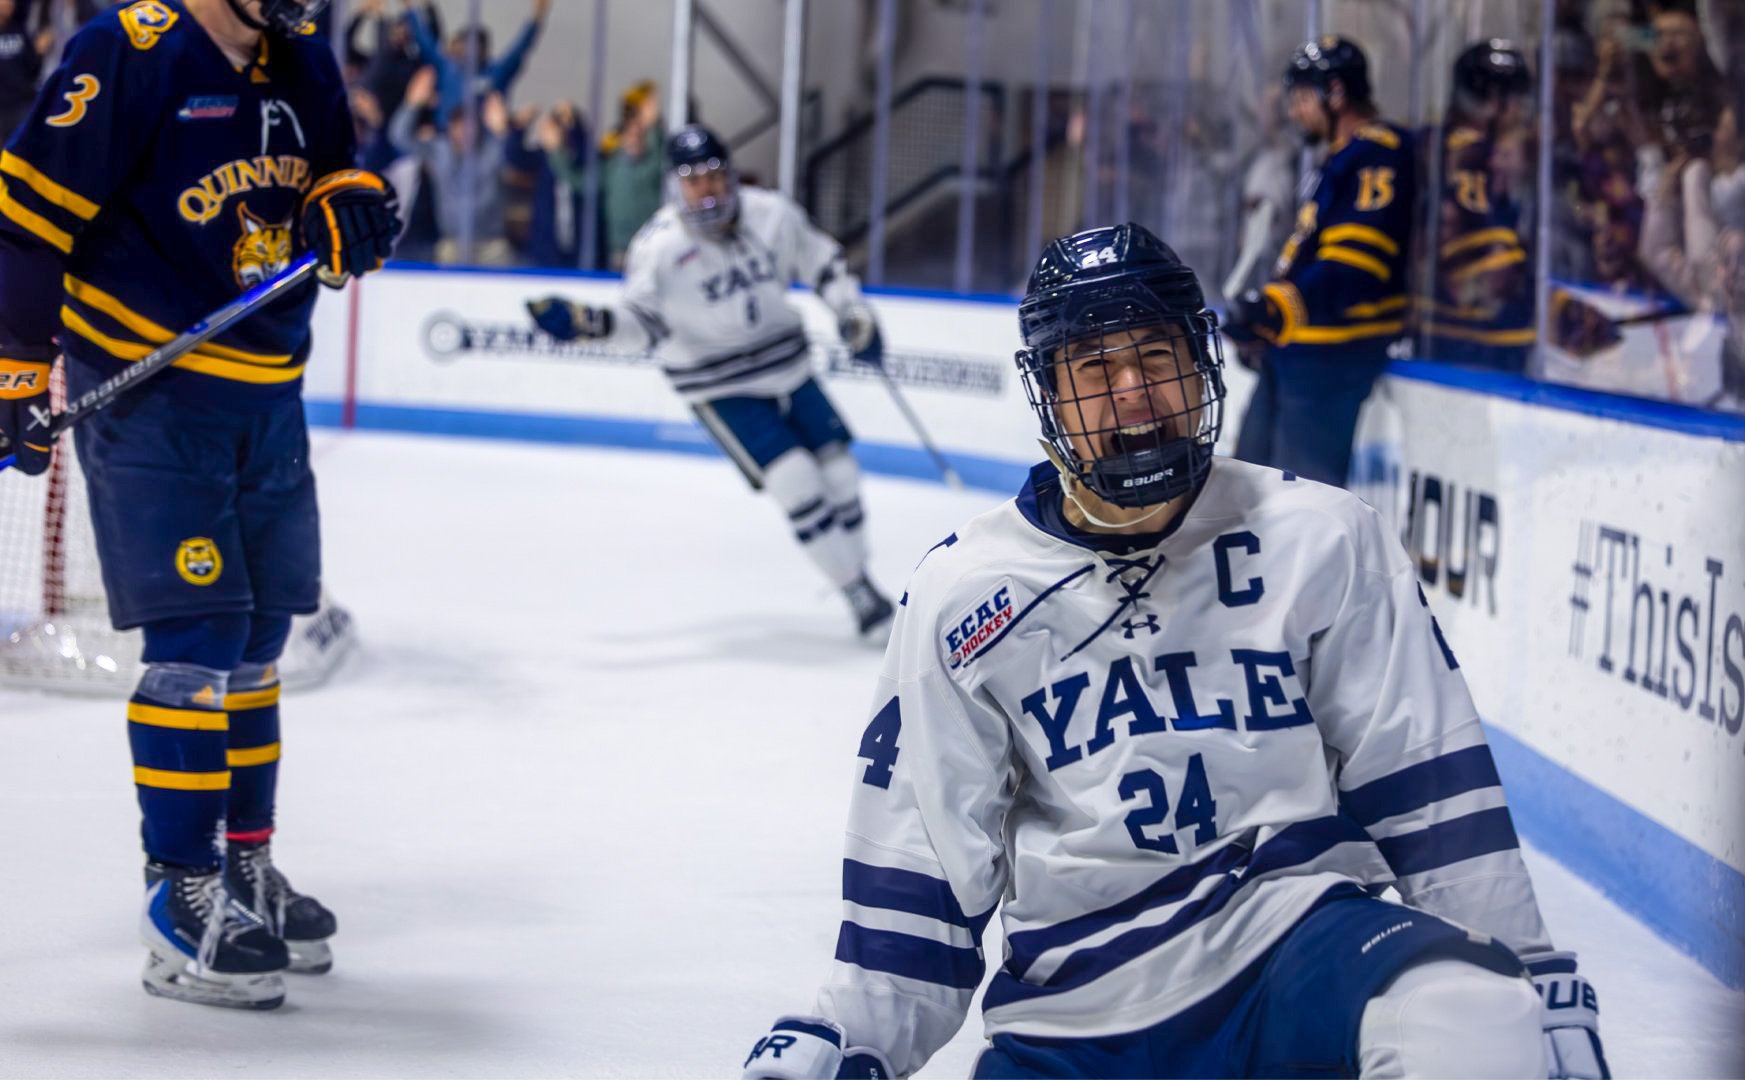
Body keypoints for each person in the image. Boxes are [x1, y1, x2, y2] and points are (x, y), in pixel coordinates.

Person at [739, 224, 1609, 1080]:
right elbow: (922, 870)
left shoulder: (1321, 536)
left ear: (1200, 368)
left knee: (1472, 1013)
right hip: (1075, 1008)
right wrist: (848, 1034)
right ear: (1047, 394)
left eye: (1156, 359)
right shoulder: (964, 595)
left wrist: (1527, 965)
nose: (1133, 390)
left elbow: (1426, 788)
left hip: (1297, 947)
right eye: (1094, 369)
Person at [0, 0, 398, 1009]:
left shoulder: (299, 52)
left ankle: (244, 865)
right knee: (197, 636)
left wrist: (351, 210)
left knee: (260, 635)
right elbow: (26, 218)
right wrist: (12, 371)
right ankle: (177, 893)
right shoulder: (124, 53)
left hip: (268, 392)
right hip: (149, 391)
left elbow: (334, 172)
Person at [526, 125, 895, 638]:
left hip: (789, 367)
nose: (708, 190)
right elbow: (641, 324)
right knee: (796, 481)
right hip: (718, 387)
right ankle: (857, 592)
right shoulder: (658, 248)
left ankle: (861, 573)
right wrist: (594, 325)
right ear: (677, 186)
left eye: (716, 176)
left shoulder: (772, 214)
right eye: (693, 180)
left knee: (843, 477)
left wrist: (852, 312)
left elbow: (822, 263)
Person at [1225, 37, 1414, 487]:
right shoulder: (1340, 157)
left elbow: (1356, 268)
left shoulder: (1377, 152)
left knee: (1301, 509)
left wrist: (1277, 308)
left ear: (1336, 93)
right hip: (1297, 352)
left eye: (1302, 98)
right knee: (1246, 490)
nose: (1294, 112)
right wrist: (1270, 320)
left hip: (1331, 359)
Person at [1422, 40, 1538, 373]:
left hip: (1447, 332)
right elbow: (1489, 266)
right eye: (1518, 100)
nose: (1522, 113)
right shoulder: (1469, 154)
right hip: (1474, 339)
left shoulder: (1444, 145)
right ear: (1494, 100)